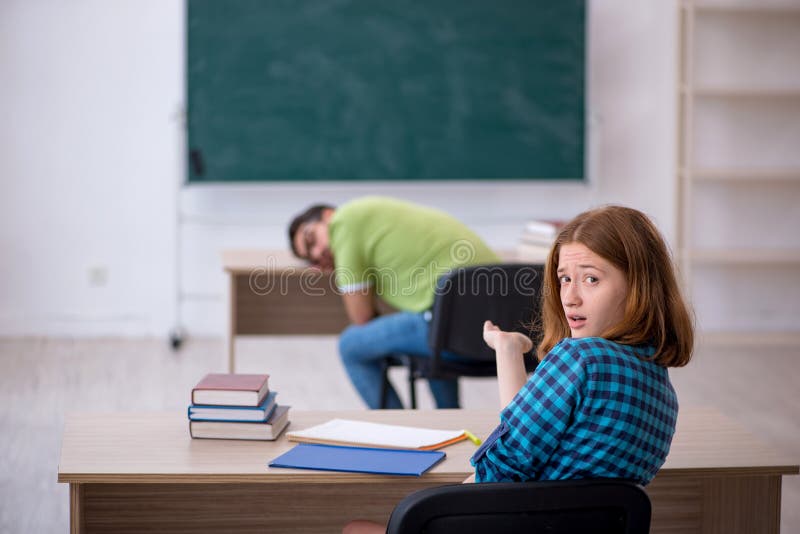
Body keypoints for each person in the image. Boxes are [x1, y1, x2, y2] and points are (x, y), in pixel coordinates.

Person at [342, 205, 694, 534]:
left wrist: (427, 513)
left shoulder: (579, 358)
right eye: (563, 279)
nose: (569, 297)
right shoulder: (662, 392)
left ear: (639, 286)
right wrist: (508, 353)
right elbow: (531, 441)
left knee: (356, 528)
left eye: (590, 279)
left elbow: (500, 469)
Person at [288, 196, 499, 409]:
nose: (317, 253)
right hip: (504, 328)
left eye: (311, 239)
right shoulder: (375, 215)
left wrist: (344, 269)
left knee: (351, 345)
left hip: (460, 331)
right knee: (425, 327)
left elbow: (362, 317)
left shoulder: (344, 222)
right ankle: (451, 421)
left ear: (327, 215)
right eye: (312, 260)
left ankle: (398, 435)